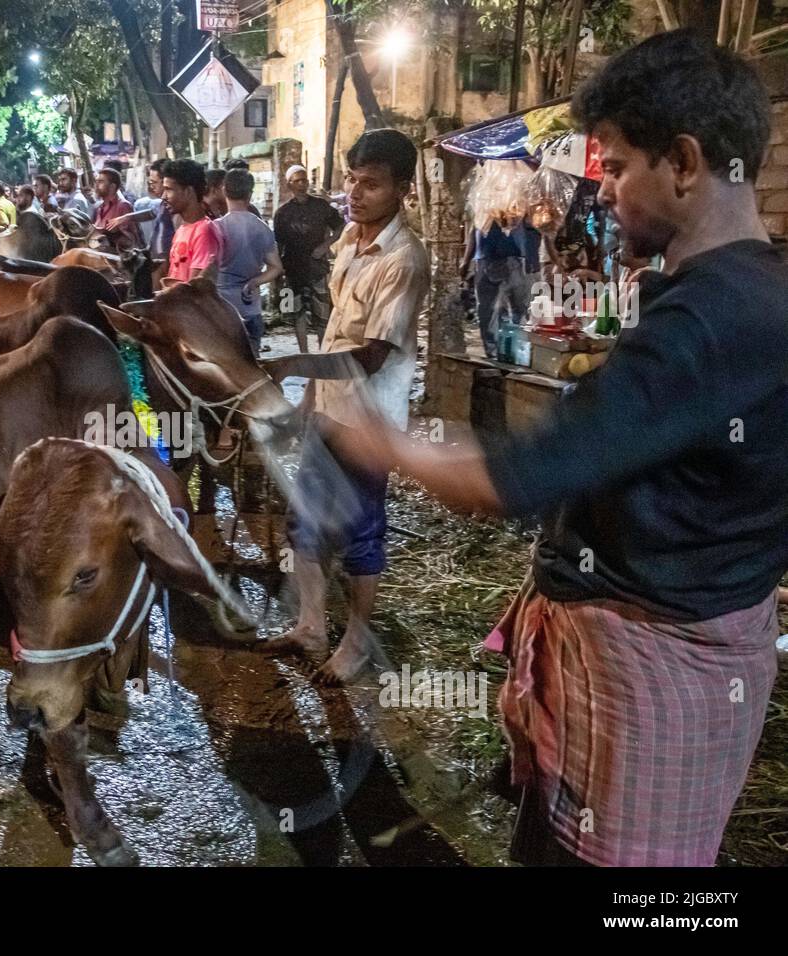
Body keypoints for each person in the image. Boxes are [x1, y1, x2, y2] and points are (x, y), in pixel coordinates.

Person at [317, 29, 788, 868]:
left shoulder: (710, 319)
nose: (600, 190)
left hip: (653, 675)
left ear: (682, 162)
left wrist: (382, 440)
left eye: (611, 164)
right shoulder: (742, 292)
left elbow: (516, 477)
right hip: (680, 640)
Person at [264, 130, 429, 686]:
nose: (356, 194)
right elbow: (336, 331)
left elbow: (372, 356)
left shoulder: (403, 260)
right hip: (328, 411)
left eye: (372, 184)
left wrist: (295, 368)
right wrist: (309, 401)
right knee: (303, 523)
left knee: (361, 534)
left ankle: (357, 641)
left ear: (402, 189)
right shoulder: (350, 243)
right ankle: (311, 624)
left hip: (369, 423)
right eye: (352, 180)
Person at [273, 164, 345, 352]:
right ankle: (304, 352)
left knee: (322, 315)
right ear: (289, 184)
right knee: (297, 313)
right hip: (293, 270)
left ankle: (322, 353)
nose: (301, 184)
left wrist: (325, 246)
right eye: (296, 181)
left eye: (304, 180)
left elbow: (340, 226)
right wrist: (278, 272)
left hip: (317, 268)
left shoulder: (321, 206)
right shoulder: (282, 213)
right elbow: (278, 244)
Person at [215, 169, 283, 355]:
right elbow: (276, 267)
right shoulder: (262, 228)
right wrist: (254, 282)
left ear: (224, 190)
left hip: (221, 309)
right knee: (253, 364)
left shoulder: (216, 228)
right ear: (250, 194)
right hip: (250, 307)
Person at [462, 213, 541, 359]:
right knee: (489, 312)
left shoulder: (519, 199)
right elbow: (474, 228)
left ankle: (517, 354)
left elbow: (537, 225)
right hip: (487, 259)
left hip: (515, 258)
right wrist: (466, 260)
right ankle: (496, 355)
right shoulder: (481, 199)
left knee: (519, 311)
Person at [161, 158, 221, 284]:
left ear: (188, 191)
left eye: (169, 189)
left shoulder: (204, 232)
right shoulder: (182, 229)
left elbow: (193, 290)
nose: (163, 196)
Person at [91, 167, 137, 251]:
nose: (96, 185)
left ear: (112, 186)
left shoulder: (123, 206)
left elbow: (131, 241)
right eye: (96, 181)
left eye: (101, 182)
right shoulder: (98, 207)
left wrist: (111, 235)